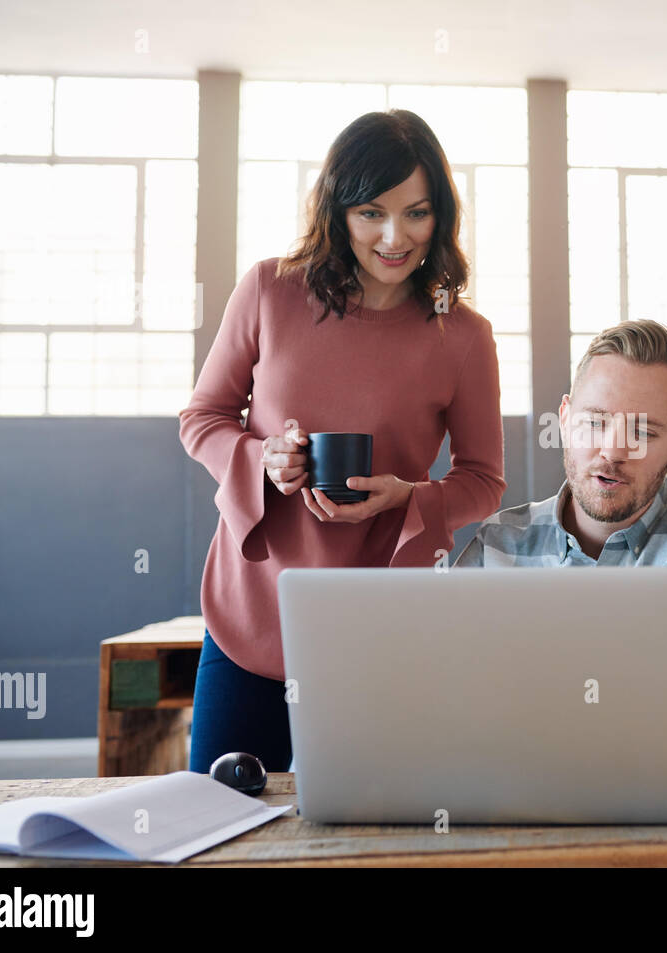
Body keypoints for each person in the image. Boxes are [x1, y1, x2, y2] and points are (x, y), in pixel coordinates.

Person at [179, 110, 506, 774]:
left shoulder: (463, 335)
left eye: (417, 213)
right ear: (338, 212)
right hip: (254, 609)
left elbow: (483, 479)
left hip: (380, 621)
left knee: (367, 827)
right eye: (371, 213)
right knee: (220, 816)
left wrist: (407, 497)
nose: (395, 237)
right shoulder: (270, 289)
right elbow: (203, 417)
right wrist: (260, 459)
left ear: (440, 215)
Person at [454, 320, 667, 761]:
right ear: (564, 421)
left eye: (642, 432)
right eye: (594, 422)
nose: (612, 451)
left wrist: (523, 735)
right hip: (529, 807)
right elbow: (443, 698)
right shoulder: (499, 543)